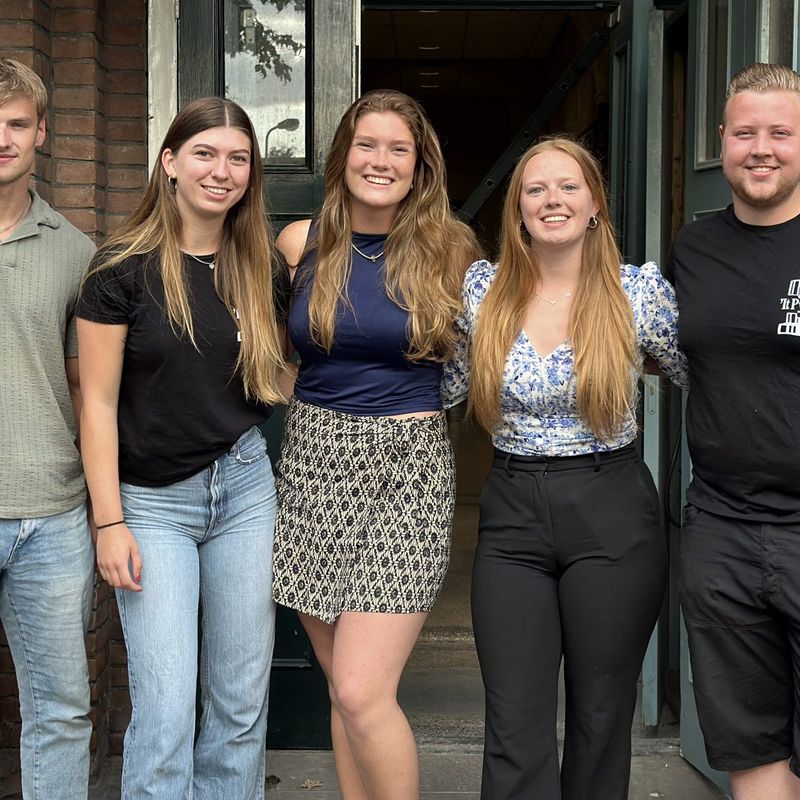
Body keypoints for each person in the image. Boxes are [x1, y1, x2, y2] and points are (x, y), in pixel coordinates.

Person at [443, 137, 687, 800]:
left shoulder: (638, 293)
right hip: (513, 513)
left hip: (613, 511)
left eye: (568, 186)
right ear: (518, 210)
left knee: (600, 717)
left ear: (595, 204)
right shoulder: (483, 290)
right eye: (536, 189)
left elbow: (708, 374)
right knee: (514, 722)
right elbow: (442, 387)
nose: (552, 200)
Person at [272, 88, 480, 800]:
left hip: (407, 469)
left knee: (363, 690)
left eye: (399, 148)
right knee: (343, 689)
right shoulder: (301, 244)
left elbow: (481, 359)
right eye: (367, 144)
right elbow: (268, 351)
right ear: (343, 155)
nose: (380, 160)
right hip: (312, 464)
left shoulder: (452, 251)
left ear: (420, 165)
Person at [77, 96, 288, 799]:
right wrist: (109, 521)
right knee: (166, 710)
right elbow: (96, 403)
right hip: (151, 506)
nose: (221, 171)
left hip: (245, 490)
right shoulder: (120, 269)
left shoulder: (260, 267)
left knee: (238, 704)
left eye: (238, 158)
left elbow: (277, 374)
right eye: (205, 154)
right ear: (169, 161)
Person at [669, 62, 800, 800]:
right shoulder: (693, 250)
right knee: (749, 746)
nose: (762, 149)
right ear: (721, 140)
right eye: (746, 132)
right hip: (721, 528)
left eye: (781, 133)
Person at [0, 58, 95, 799]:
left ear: (42, 134)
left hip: (52, 517)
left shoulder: (75, 250)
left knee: (60, 711)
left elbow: (86, 386)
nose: (2, 138)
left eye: (16, 123)